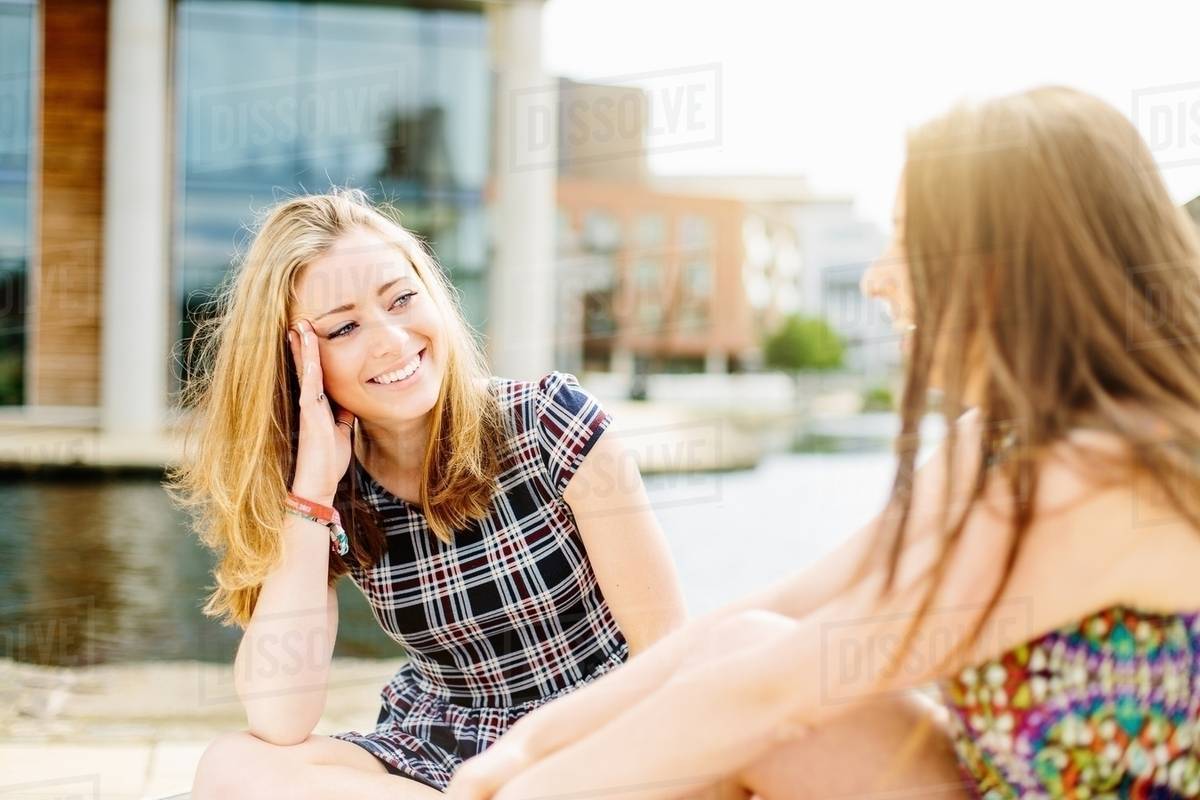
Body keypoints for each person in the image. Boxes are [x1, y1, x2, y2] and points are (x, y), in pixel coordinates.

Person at [446, 86, 1200, 800]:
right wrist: (522, 748)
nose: (876, 279)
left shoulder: (1103, 472)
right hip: (991, 781)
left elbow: (786, 688)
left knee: (741, 710)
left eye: (908, 240)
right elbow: (793, 606)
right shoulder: (1002, 436)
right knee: (742, 642)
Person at [167, 189, 688, 798]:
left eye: (402, 299)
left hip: (595, 731)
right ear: (295, 361)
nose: (391, 339)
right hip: (440, 745)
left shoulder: (552, 421)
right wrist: (312, 492)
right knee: (233, 766)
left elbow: (664, 652)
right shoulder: (328, 483)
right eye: (345, 327)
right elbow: (279, 718)